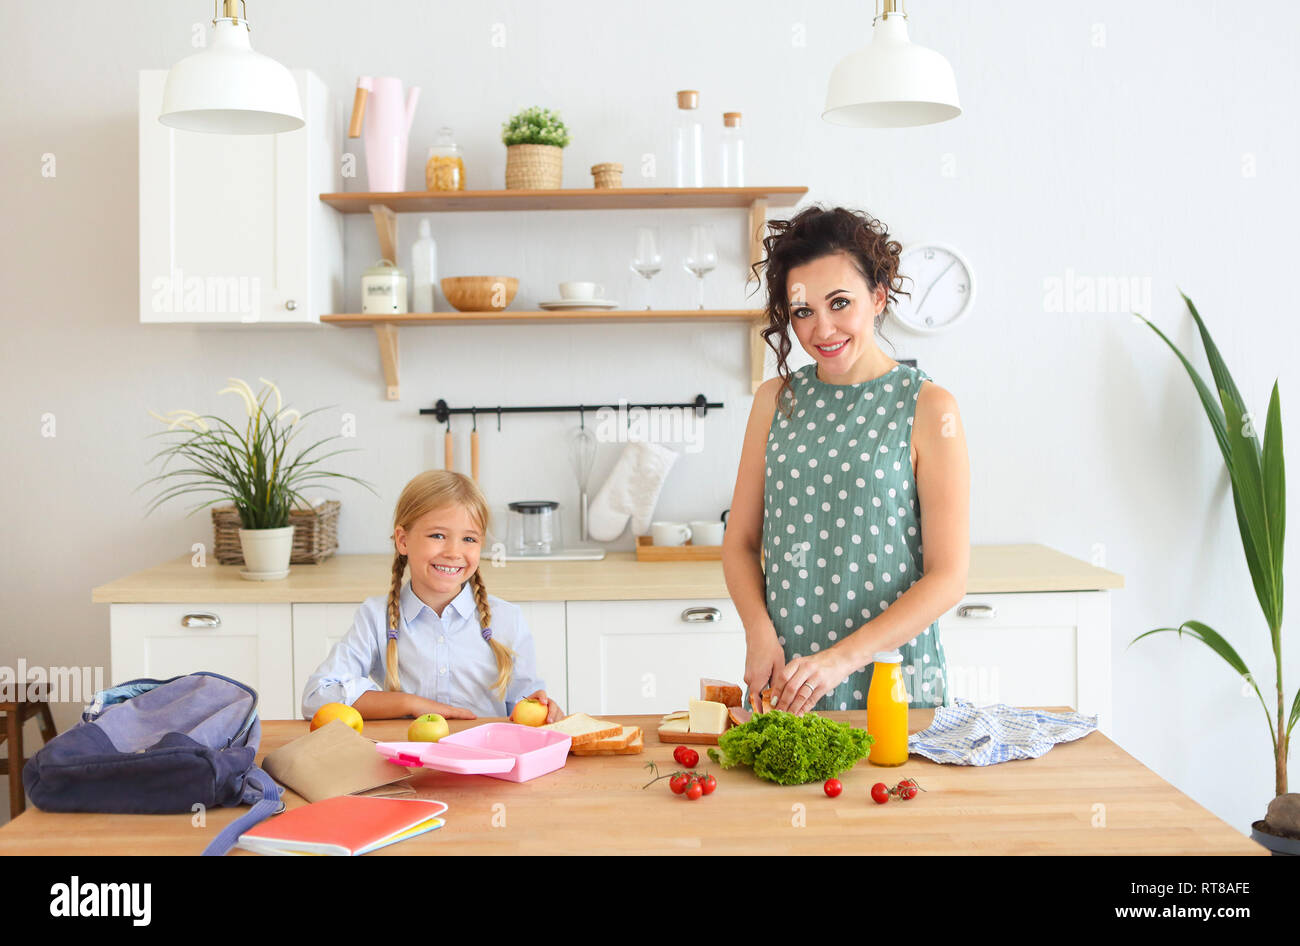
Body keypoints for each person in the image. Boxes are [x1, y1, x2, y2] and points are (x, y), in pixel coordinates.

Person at [722, 205, 970, 716]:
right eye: (802, 311)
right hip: (789, 681)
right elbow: (741, 544)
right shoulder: (775, 400)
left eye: (840, 303)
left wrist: (840, 660)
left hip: (891, 678)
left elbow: (948, 577)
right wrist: (758, 632)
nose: (822, 328)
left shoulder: (928, 407)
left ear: (878, 298)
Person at [302, 470, 563, 723]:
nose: (453, 552)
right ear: (402, 540)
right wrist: (411, 704)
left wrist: (544, 707)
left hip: (487, 761)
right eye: (438, 535)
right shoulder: (375, 617)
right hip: (408, 762)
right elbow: (317, 696)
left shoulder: (508, 619)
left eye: (469, 539)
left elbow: (525, 707)